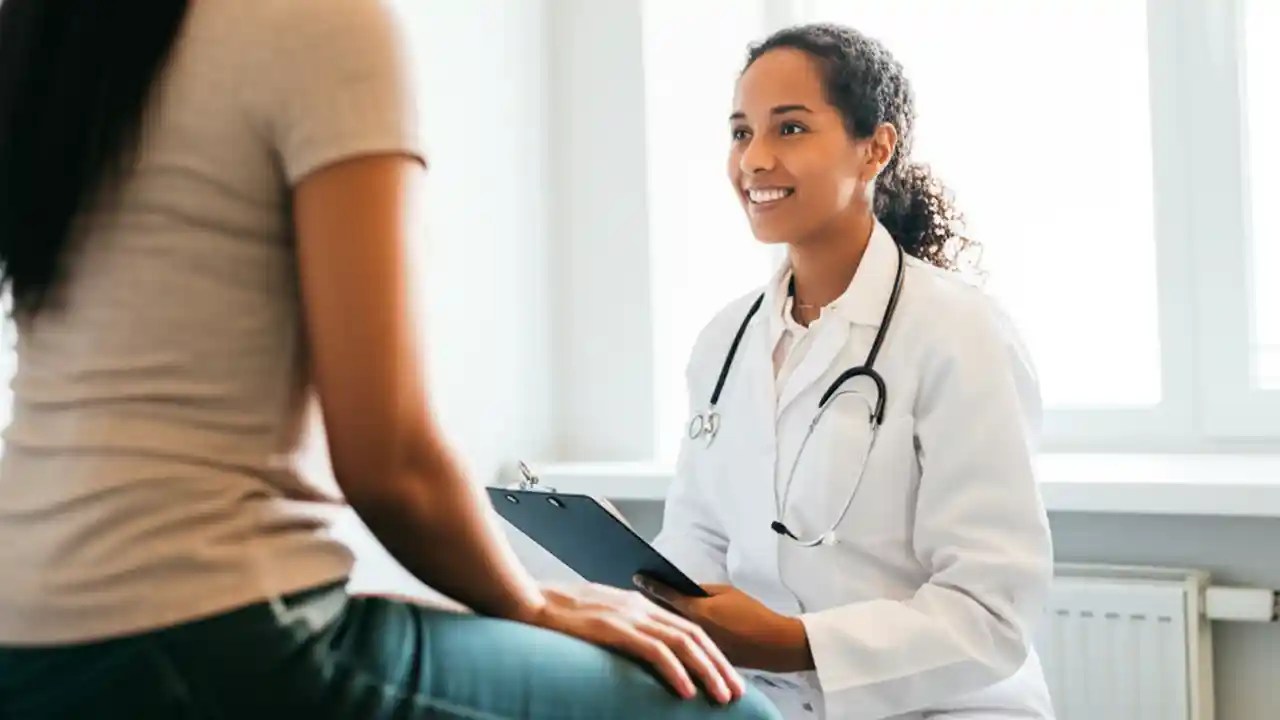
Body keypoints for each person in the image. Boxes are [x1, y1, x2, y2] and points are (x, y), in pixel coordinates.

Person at [0, 2, 782, 718]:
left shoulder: (62, 34)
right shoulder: (318, 27)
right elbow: (390, 462)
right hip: (205, 628)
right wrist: (537, 605)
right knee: (733, 712)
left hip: (30, 633)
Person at [639, 24, 1056, 720]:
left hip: (948, 707)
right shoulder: (725, 341)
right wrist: (634, 601)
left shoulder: (959, 332)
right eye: (741, 133)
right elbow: (699, 537)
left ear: (876, 150)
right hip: (767, 699)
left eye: (791, 128)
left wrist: (796, 643)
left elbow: (991, 611)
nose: (755, 160)